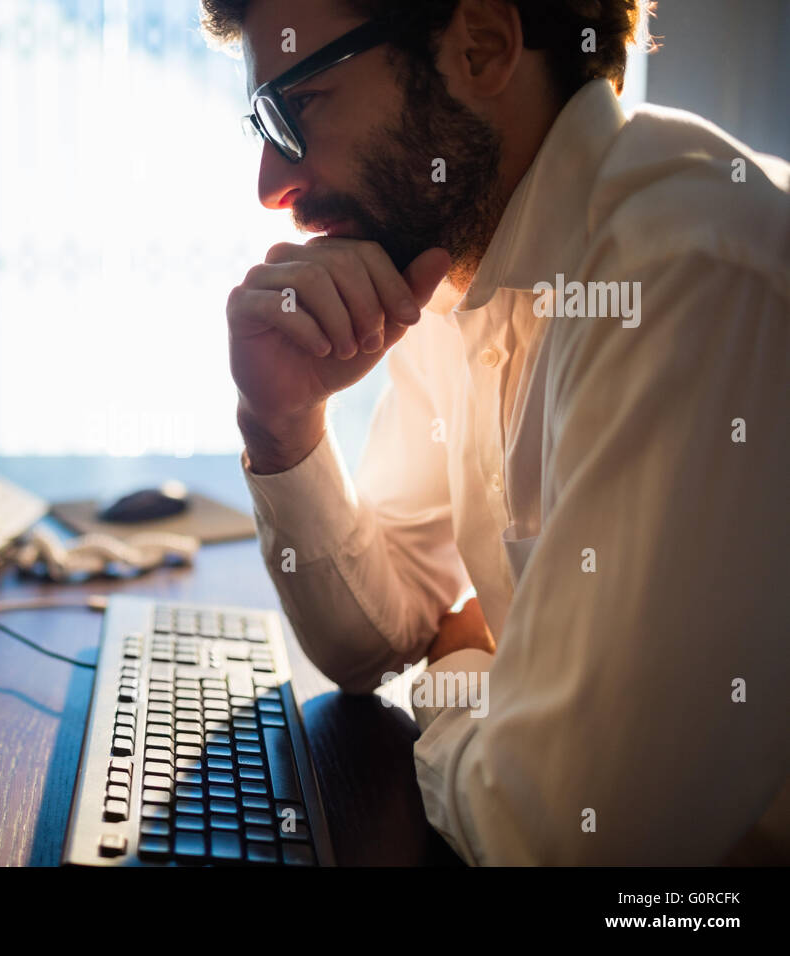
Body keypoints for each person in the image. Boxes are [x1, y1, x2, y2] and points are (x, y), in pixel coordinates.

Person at [203, 0, 789, 863]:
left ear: (480, 46)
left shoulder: (681, 270)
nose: (271, 184)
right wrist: (283, 423)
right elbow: (374, 638)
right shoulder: (458, 270)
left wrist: (456, 671)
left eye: (297, 107)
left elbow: (566, 833)